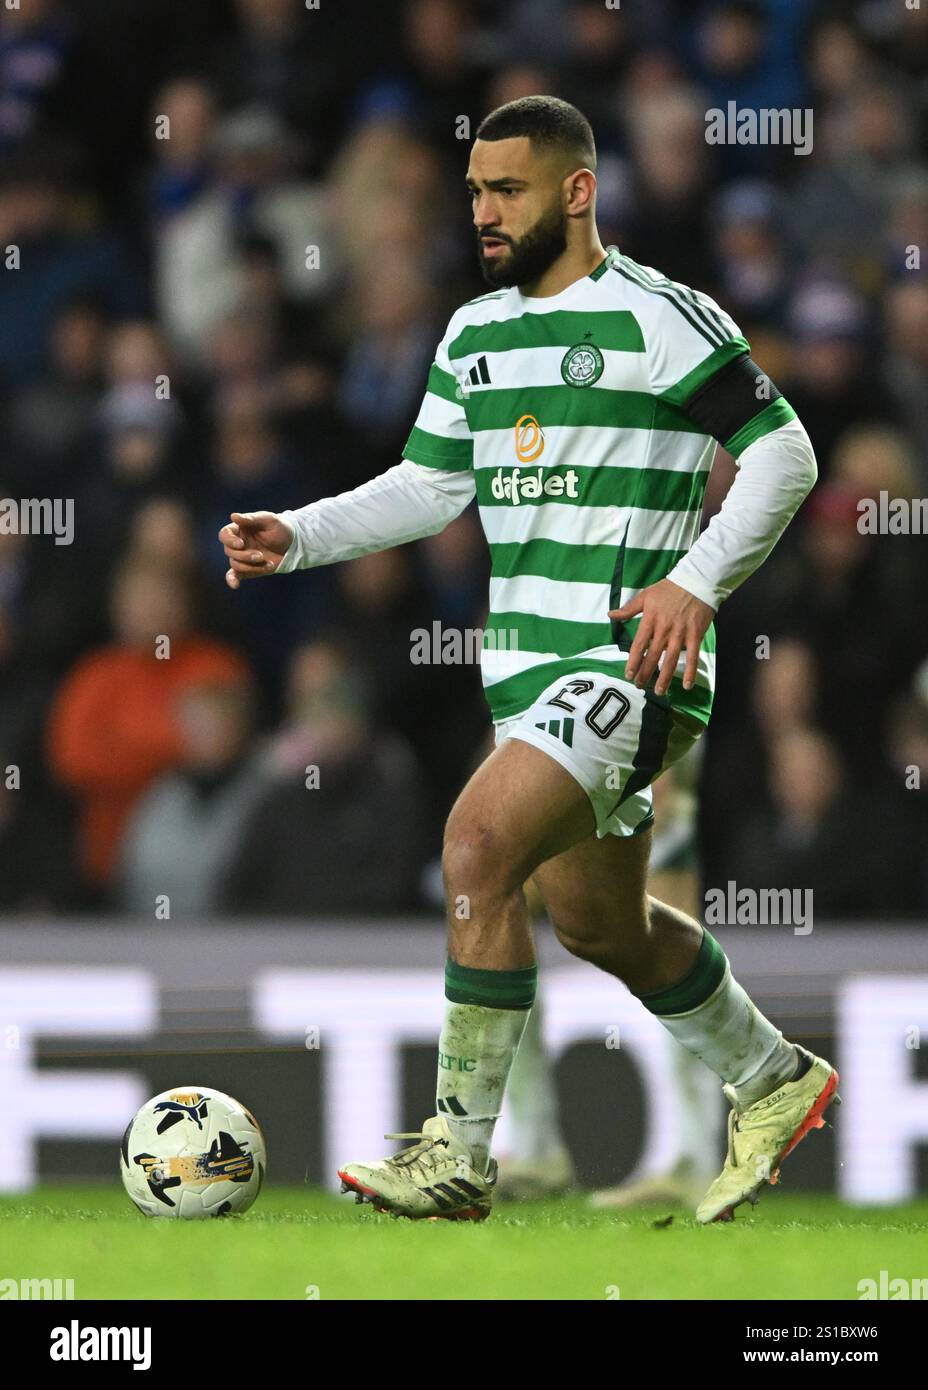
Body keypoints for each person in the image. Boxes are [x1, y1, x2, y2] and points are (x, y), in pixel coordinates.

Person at [218, 96, 832, 1225]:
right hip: (524, 684)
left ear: (577, 191)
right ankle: (772, 1074)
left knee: (473, 844)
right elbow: (429, 487)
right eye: (474, 193)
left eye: (508, 190)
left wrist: (695, 585)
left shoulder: (659, 317)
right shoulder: (471, 333)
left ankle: (457, 1149)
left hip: (627, 670)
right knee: (601, 926)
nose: (485, 212)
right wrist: (297, 534)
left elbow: (783, 449)